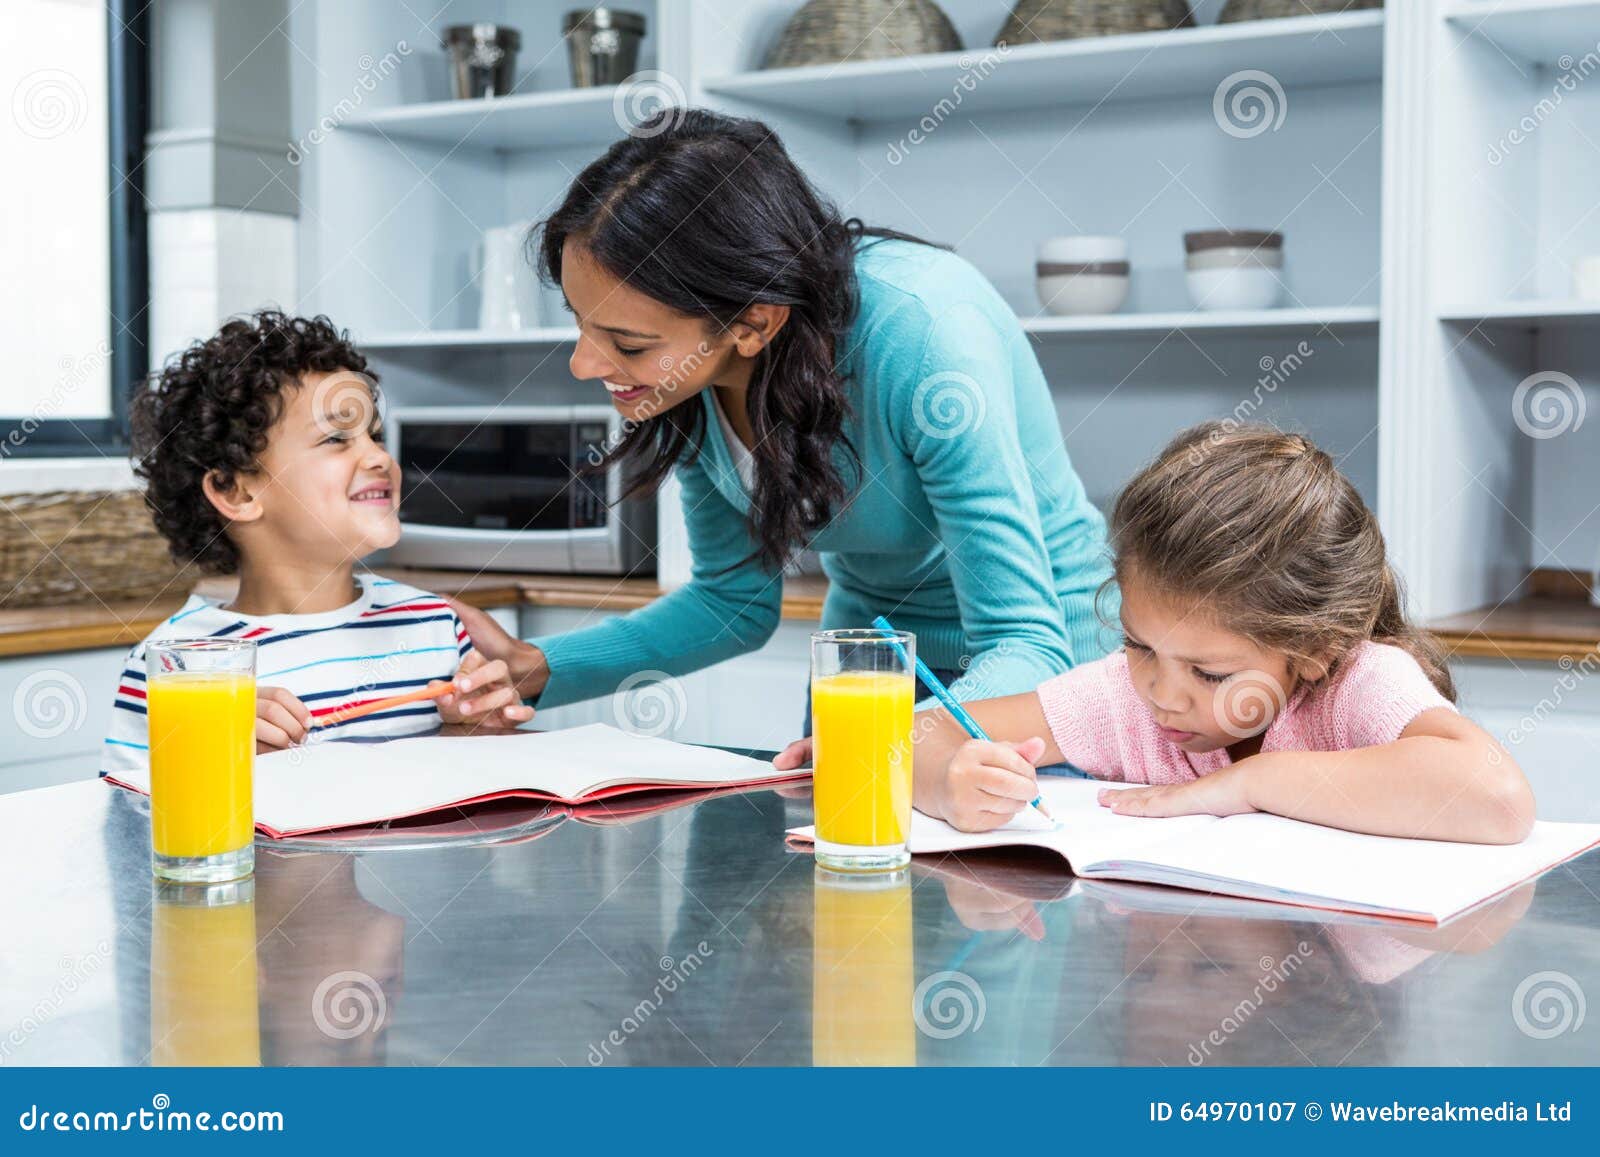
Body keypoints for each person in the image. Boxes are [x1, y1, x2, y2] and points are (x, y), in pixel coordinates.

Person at [450, 109, 1115, 723]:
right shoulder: (692, 384)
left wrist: (892, 739)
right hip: (872, 658)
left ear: (754, 323)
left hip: (1044, 668)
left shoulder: (926, 335)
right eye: (579, 321)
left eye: (627, 343)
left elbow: (1024, 638)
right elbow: (731, 601)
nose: (583, 364)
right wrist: (538, 666)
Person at [781, 422, 1536, 845]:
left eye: (1210, 675)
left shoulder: (1358, 680)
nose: (1163, 693)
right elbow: (922, 730)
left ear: (1311, 649)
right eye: (1141, 645)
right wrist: (949, 780)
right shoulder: (1123, 695)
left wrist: (1249, 783)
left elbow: (1498, 799)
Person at [101, 311, 530, 775]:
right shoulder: (174, 665)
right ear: (236, 491)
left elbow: (460, 795)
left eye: (375, 435)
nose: (379, 456)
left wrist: (475, 733)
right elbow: (131, 824)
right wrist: (216, 762)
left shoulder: (433, 625)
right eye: (335, 439)